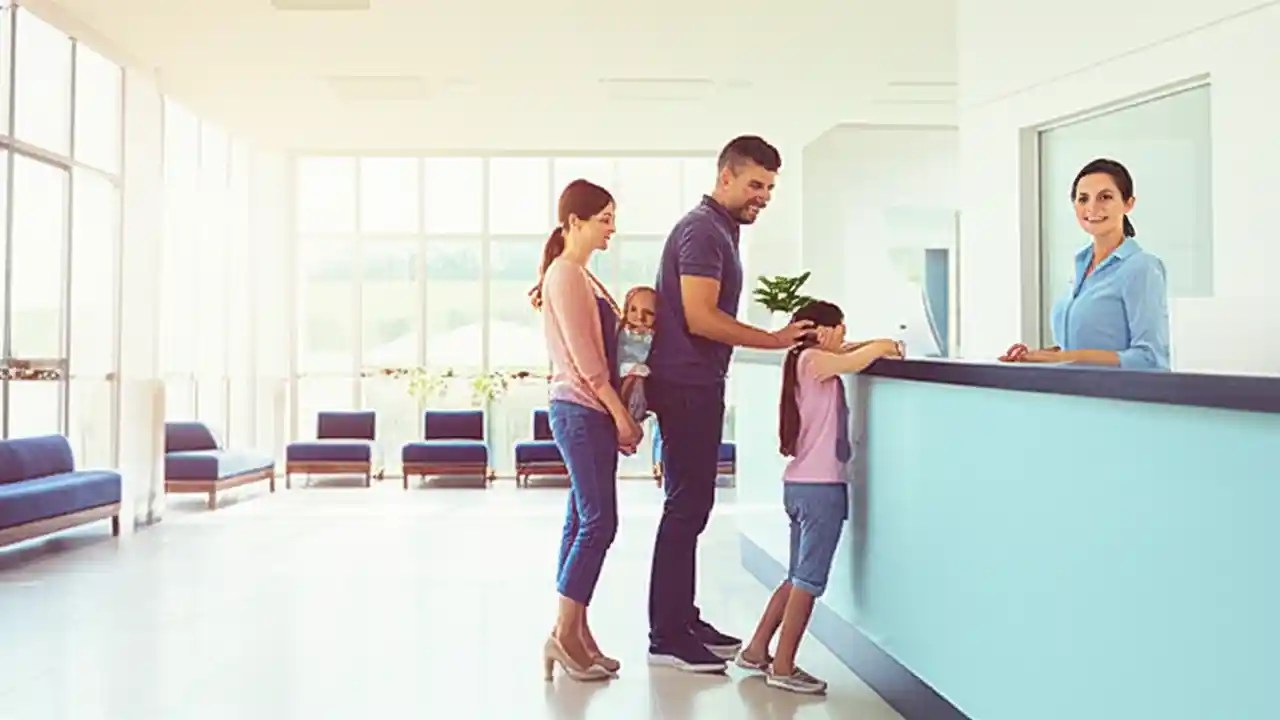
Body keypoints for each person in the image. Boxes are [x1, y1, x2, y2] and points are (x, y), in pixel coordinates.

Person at [646, 135, 814, 673]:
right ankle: (668, 634)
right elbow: (698, 315)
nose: (762, 196)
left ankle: (682, 617)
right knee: (685, 506)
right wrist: (774, 339)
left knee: (694, 506)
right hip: (686, 382)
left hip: (700, 380)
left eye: (769, 188)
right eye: (754, 184)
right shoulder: (702, 231)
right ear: (726, 178)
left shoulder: (720, 229)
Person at [734, 300, 900, 694]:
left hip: (800, 486)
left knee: (795, 577)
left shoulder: (802, 360)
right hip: (821, 490)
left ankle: (757, 650)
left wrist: (845, 342)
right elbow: (869, 353)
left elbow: (855, 351)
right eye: (842, 328)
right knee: (808, 581)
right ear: (826, 331)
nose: (845, 335)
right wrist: (885, 342)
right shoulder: (815, 362)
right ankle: (784, 666)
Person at [531, 179, 644, 682]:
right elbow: (586, 361)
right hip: (581, 410)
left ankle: (575, 632)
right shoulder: (567, 275)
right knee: (600, 523)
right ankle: (564, 634)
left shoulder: (581, 275)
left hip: (586, 411)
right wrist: (620, 414)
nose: (612, 229)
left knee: (582, 521)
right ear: (573, 222)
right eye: (604, 219)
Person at [1000, 158, 1171, 370]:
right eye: (1083, 199)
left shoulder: (1141, 268)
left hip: (1116, 400)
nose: (1092, 207)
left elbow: (1150, 359)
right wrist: (1039, 355)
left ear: (1128, 203)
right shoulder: (1080, 265)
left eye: (1105, 197)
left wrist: (1061, 358)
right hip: (1071, 396)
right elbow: (1085, 347)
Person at [618, 286, 657, 422]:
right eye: (633, 309)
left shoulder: (654, 337)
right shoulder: (623, 332)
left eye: (648, 312)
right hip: (624, 369)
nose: (640, 317)